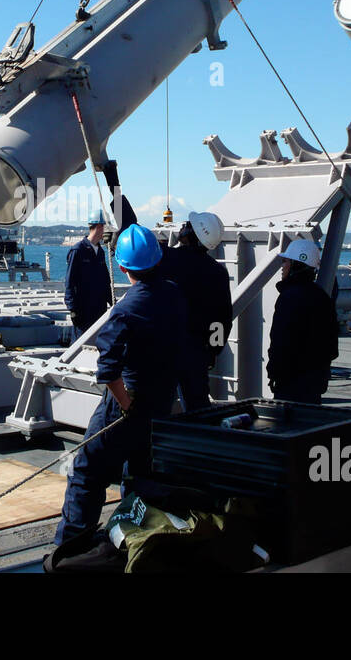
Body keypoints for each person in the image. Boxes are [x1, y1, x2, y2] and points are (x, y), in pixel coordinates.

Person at [55, 224, 188, 546]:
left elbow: (108, 369)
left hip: (127, 402)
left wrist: (126, 405)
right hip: (161, 399)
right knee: (141, 473)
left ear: (123, 266)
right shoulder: (174, 294)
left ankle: (71, 548)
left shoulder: (126, 309)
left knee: (87, 471)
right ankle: (135, 537)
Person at [158, 211, 232, 411]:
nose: (182, 227)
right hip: (197, 352)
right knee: (198, 406)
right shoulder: (218, 272)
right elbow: (222, 320)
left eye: (186, 225)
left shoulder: (167, 258)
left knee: (158, 405)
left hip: (166, 348)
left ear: (193, 233)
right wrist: (212, 351)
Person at [266, 238, 338, 404]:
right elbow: (331, 347)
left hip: (290, 385)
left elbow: (280, 342)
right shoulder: (323, 298)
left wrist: (274, 373)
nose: (283, 266)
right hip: (314, 385)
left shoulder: (288, 298)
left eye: (286, 261)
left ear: (296, 265)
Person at [64, 211, 113, 337]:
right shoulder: (78, 250)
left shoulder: (101, 252)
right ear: (99, 226)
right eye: (106, 227)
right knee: (81, 345)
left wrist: (112, 301)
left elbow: (105, 280)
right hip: (83, 311)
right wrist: (72, 309)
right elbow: (70, 282)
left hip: (99, 309)